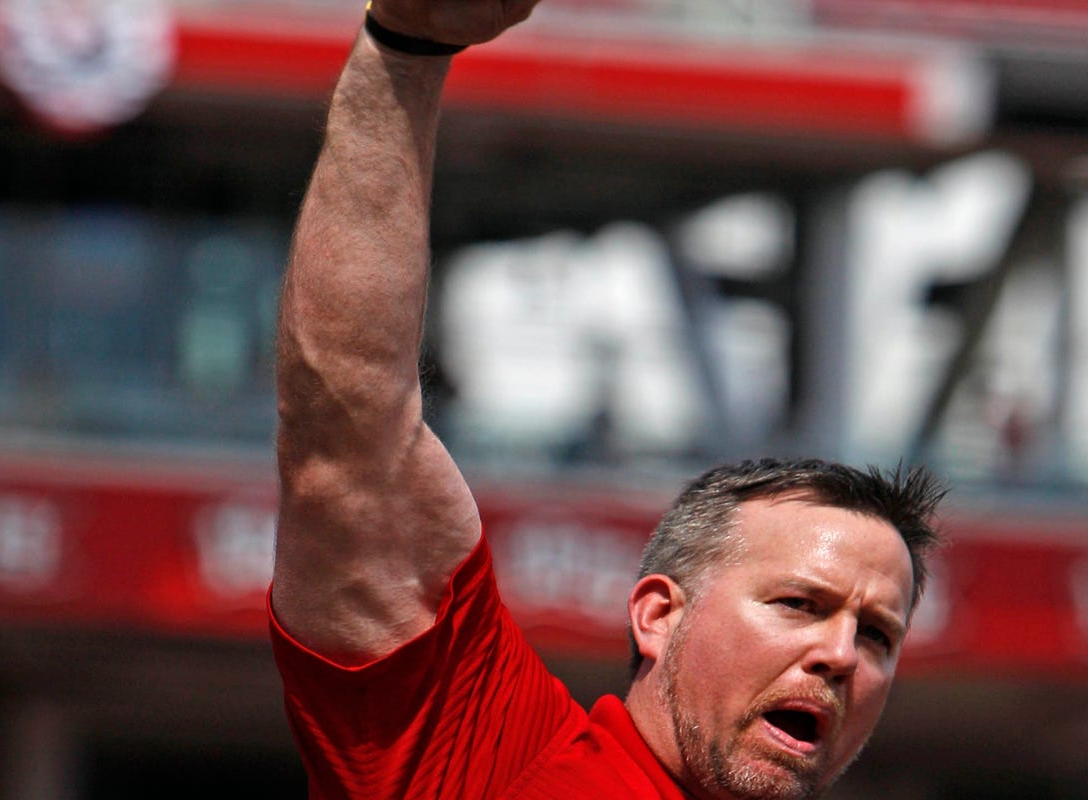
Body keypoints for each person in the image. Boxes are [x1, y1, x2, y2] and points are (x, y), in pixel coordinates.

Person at [269, 1, 946, 797]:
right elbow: (348, 438)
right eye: (799, 603)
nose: (839, 655)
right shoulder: (492, 754)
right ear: (659, 615)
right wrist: (404, 49)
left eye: (876, 636)